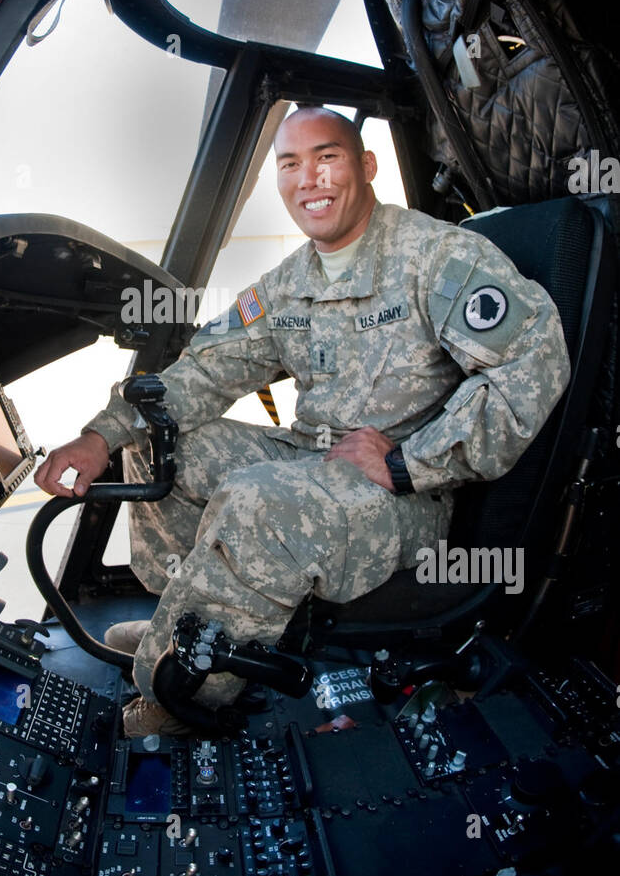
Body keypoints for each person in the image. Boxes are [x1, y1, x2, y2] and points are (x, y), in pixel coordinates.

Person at [34, 108, 570, 735]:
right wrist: (103, 435)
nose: (309, 178)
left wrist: (410, 462)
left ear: (366, 167)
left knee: (258, 501)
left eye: (327, 156)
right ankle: (182, 626)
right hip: (312, 459)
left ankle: (186, 695)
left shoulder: (437, 257)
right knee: (163, 445)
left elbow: (535, 358)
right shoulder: (291, 283)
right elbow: (209, 366)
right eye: (290, 164)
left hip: (403, 500)